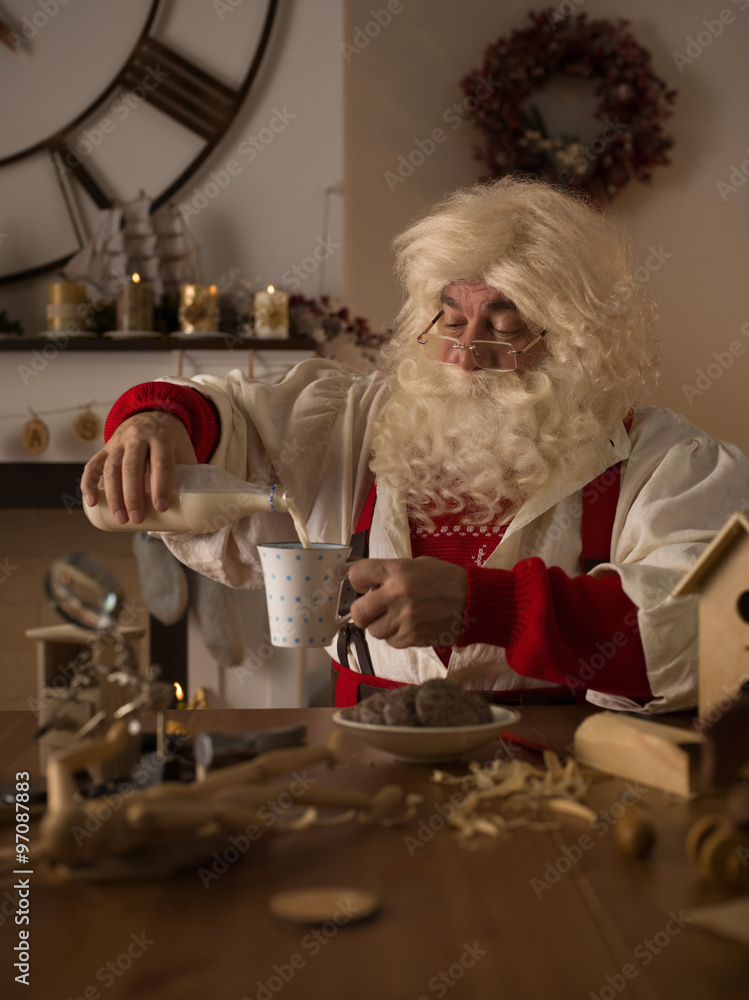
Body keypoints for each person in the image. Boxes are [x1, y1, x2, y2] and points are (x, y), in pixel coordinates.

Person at [82, 177, 749, 713]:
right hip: (367, 764)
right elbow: (230, 412)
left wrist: (488, 608)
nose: (462, 354)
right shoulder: (355, 421)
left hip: (568, 778)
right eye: (449, 319)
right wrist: (155, 422)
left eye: (502, 324)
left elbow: (708, 630)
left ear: (572, 341)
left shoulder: (664, 463)